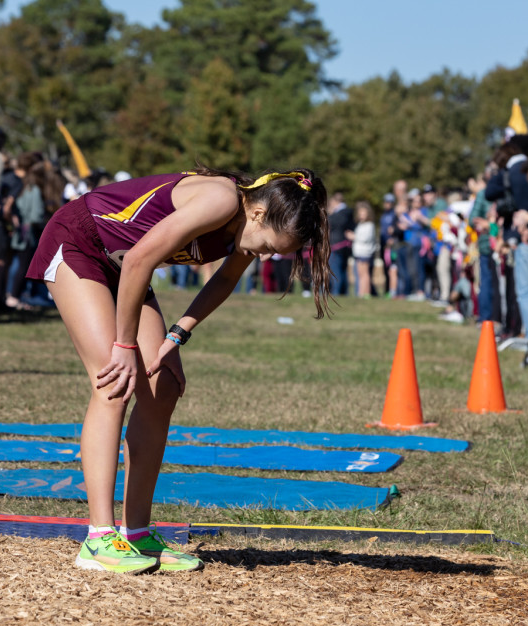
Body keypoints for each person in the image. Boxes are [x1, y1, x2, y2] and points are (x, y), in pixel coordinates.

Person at [26, 168, 331, 574]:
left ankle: (136, 533)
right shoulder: (222, 200)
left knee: (163, 385)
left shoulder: (247, 226)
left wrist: (175, 337)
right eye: (270, 247)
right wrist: (124, 346)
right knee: (115, 379)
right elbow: (138, 259)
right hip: (80, 242)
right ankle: (99, 538)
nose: (266, 256)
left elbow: (223, 280)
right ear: (258, 213)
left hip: (122, 265)